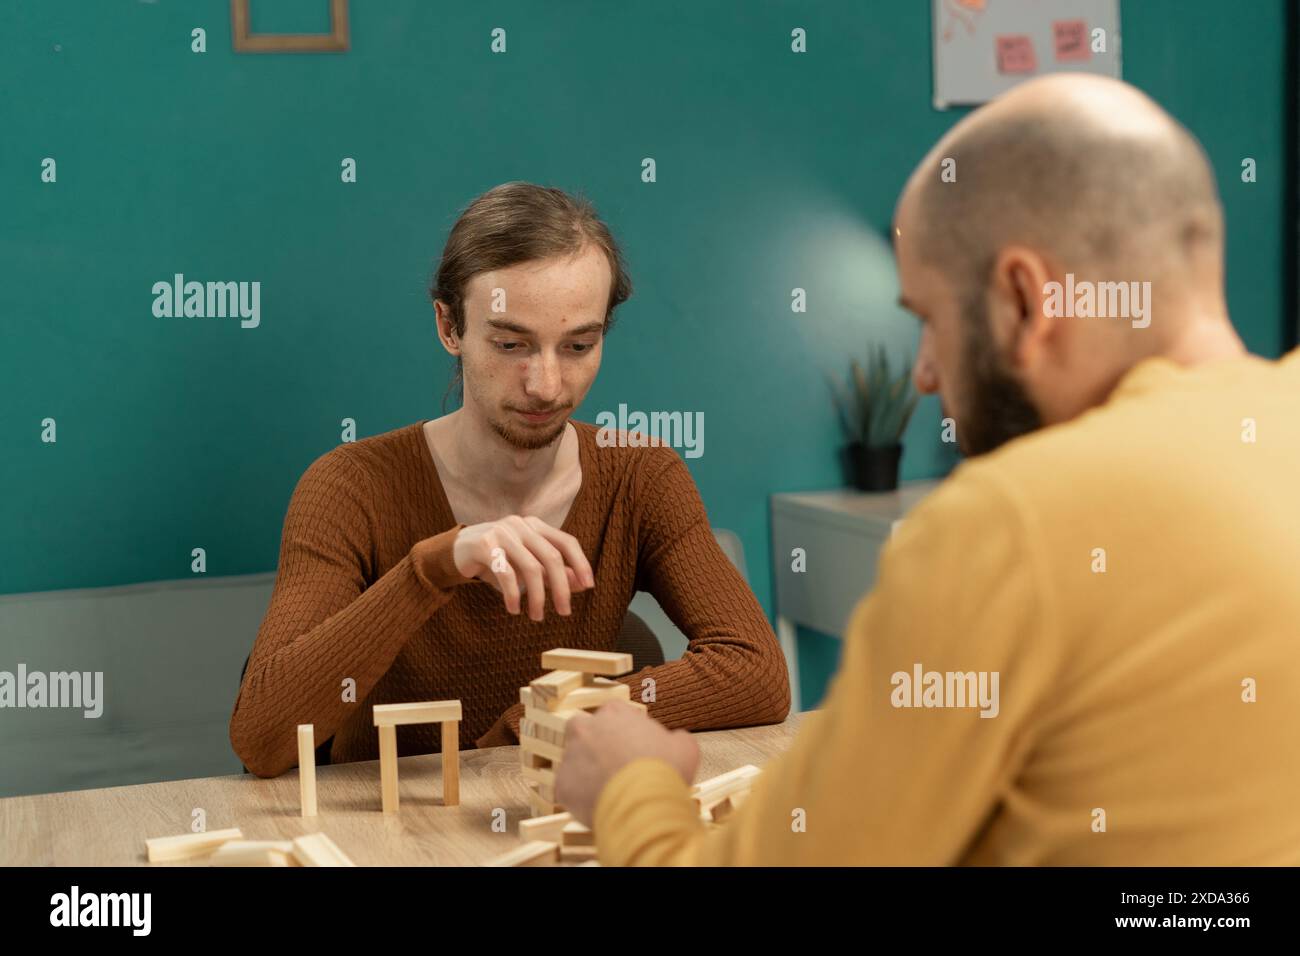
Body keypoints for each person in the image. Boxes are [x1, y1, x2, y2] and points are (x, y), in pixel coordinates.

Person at [556, 74, 1300, 865]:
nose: (924, 374)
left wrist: (630, 791)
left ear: (1024, 299)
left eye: (930, 321)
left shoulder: (1010, 522)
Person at [230, 182, 789, 777]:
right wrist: (433, 568)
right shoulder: (348, 487)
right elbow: (262, 739)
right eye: (510, 343)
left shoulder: (641, 474)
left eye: (578, 345)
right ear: (450, 326)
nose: (546, 384)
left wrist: (538, 726)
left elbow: (756, 670)